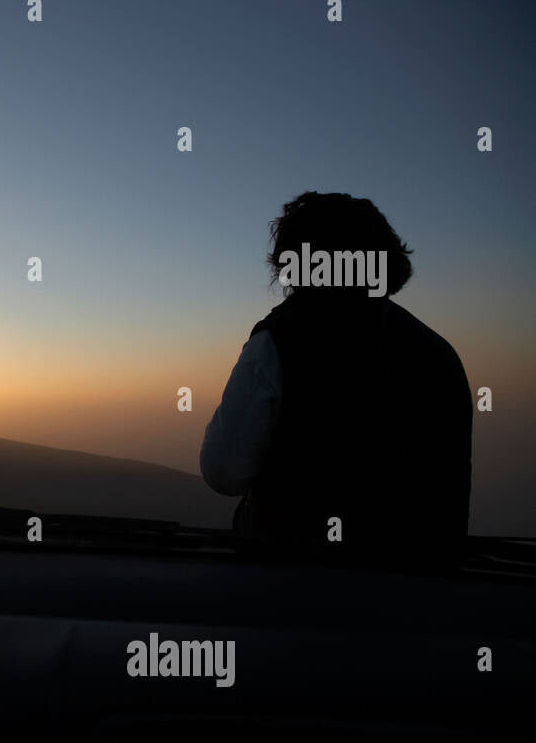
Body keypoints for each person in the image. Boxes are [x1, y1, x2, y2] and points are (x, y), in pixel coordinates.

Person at [200, 192, 472, 561]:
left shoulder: (279, 341)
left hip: (290, 584)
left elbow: (224, 472)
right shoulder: (438, 354)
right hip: (420, 592)